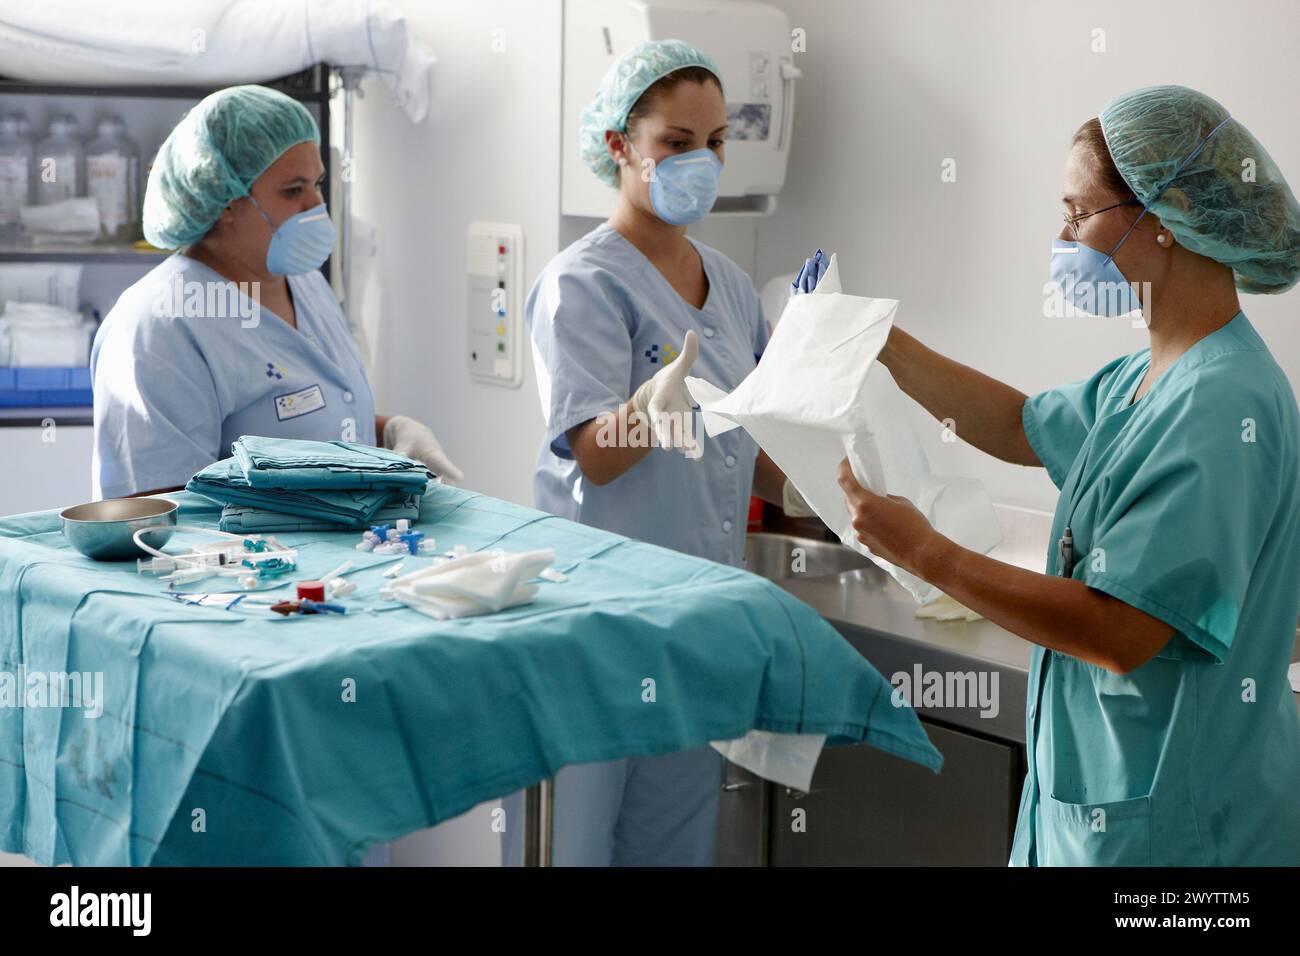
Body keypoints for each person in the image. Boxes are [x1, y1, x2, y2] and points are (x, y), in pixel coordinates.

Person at [818, 85, 1300, 865]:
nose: (1062, 237)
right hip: (1112, 811)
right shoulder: (1149, 375)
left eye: (1079, 214)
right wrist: (877, 337)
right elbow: (1018, 424)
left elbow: (1121, 630)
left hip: (1185, 835)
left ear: (1166, 214)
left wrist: (928, 553)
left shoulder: (1221, 402)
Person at [503, 40, 798, 866]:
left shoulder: (733, 286)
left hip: (693, 620)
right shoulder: (583, 283)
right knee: (574, 848)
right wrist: (643, 411)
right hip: (596, 624)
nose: (700, 161)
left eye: (714, 142)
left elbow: (755, 433)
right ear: (619, 147)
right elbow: (594, 456)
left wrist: (838, 487)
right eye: (676, 142)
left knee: (673, 847)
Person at [91, 84, 459, 499]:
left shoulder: (303, 282)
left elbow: (305, 421)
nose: (316, 205)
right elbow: (157, 513)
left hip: (343, 552)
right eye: (293, 190)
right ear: (226, 199)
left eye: (317, 184)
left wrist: (389, 432)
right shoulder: (159, 326)